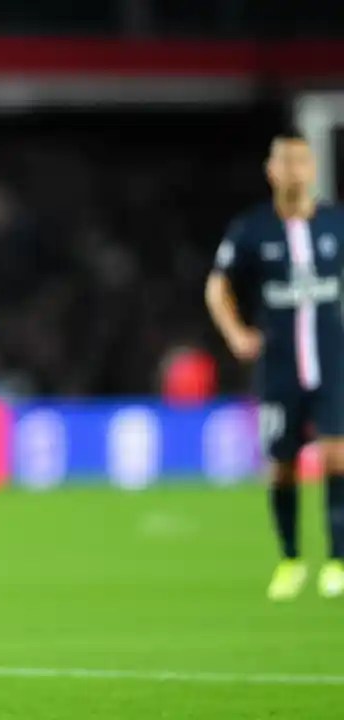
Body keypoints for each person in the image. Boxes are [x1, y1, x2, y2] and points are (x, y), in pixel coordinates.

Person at [205, 130, 344, 601]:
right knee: (281, 466)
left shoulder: (335, 225)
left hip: (332, 361)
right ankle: (290, 559)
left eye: (301, 162)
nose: (293, 171)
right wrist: (238, 333)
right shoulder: (252, 229)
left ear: (312, 169)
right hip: (280, 366)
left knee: (336, 455)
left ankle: (338, 560)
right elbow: (217, 286)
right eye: (284, 162)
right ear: (271, 171)